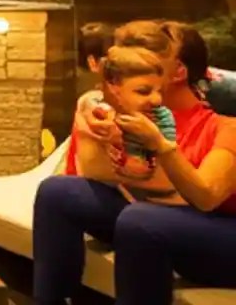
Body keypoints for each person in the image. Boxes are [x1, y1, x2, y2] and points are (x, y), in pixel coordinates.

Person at [33, 20, 236, 305]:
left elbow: (206, 196)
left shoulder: (224, 127)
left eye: (156, 48)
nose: (135, 54)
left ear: (178, 71)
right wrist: (90, 110)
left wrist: (160, 149)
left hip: (219, 232)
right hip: (157, 216)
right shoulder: (123, 113)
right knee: (57, 192)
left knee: (139, 219)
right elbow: (91, 169)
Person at [73, 46, 177, 191]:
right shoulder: (98, 110)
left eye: (159, 91)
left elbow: (169, 169)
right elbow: (91, 168)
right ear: (114, 87)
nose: (156, 99)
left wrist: (155, 141)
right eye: (143, 92)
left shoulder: (160, 116)